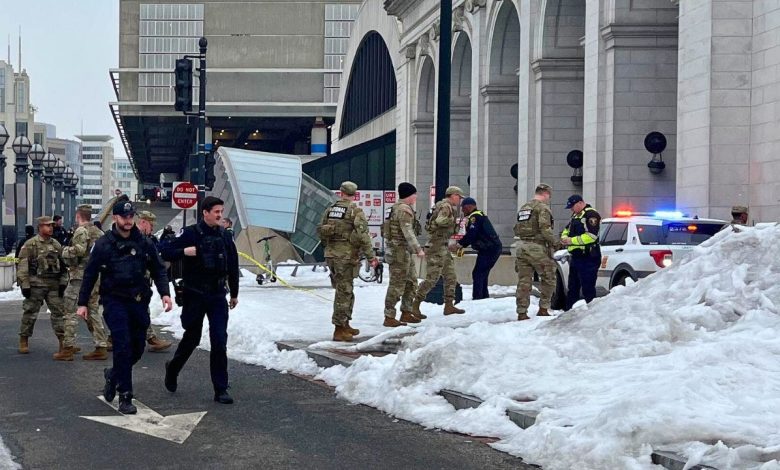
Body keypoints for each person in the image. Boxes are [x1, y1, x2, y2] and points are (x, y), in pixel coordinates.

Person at [77, 200, 172, 414]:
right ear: (115, 218)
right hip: (114, 300)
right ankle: (125, 396)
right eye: (124, 217)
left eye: (131, 217)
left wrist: (165, 293)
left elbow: (158, 269)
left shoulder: (144, 242)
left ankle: (113, 375)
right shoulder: (104, 244)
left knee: (137, 348)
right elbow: (90, 273)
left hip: (138, 301)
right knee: (122, 345)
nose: (128, 221)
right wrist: (82, 303)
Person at [161, 196, 240, 405]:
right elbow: (165, 251)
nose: (220, 215)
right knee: (192, 338)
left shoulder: (225, 236)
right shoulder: (190, 233)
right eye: (216, 212)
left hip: (217, 295)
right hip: (194, 294)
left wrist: (234, 293)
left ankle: (221, 388)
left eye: (221, 211)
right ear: (205, 213)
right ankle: (173, 368)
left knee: (219, 340)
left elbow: (233, 264)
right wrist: (184, 251)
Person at [317, 181, 378, 342]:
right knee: (344, 292)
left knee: (344, 290)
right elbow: (363, 236)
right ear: (355, 195)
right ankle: (339, 329)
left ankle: (345, 324)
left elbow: (321, 231)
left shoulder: (330, 210)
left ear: (341, 192)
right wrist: (371, 257)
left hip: (331, 255)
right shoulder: (354, 211)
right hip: (345, 256)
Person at [59, 205, 110, 361]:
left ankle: (67, 348)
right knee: (93, 310)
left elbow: (78, 251)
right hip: (95, 277)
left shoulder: (81, 231)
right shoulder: (99, 232)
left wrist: (63, 251)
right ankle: (101, 345)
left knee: (70, 310)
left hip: (79, 276)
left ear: (78, 216)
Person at [16, 216, 69, 355]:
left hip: (53, 285)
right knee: (30, 312)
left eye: (51, 225)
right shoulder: (30, 244)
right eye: (47, 225)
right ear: (40, 227)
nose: (50, 228)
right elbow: (23, 266)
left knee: (59, 314)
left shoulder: (56, 244)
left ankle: (63, 342)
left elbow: (64, 266)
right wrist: (25, 285)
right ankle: (24, 339)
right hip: (36, 285)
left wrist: (63, 283)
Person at [412, 186, 466, 317]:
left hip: (443, 247)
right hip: (436, 247)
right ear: (453, 195)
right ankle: (415, 304)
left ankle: (449, 305)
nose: (459, 200)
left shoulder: (445, 206)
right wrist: (453, 221)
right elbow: (440, 221)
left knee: (451, 276)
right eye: (459, 197)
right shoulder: (446, 207)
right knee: (432, 279)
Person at [514, 184, 559, 320]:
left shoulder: (524, 208)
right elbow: (545, 229)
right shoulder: (542, 208)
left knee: (524, 281)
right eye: (549, 196)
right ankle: (543, 308)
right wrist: (555, 243)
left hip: (521, 246)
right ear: (546, 194)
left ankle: (522, 312)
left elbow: (516, 228)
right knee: (549, 277)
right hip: (537, 247)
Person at [382, 183, 424, 326]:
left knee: (411, 282)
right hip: (399, 252)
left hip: (402, 251)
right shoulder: (404, 210)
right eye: (414, 194)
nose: (416, 197)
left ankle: (406, 312)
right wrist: (418, 249)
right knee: (397, 284)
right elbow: (408, 232)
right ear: (409, 195)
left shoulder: (393, 208)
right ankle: (389, 316)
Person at [136, 211, 174, 352]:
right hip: (128, 282)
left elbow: (157, 264)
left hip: (142, 282)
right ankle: (151, 338)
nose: (152, 229)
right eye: (150, 225)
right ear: (143, 222)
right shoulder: (132, 238)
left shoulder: (148, 240)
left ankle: (111, 338)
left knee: (139, 309)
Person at [453, 197, 502, 301]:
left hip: (489, 249)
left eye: (463, 208)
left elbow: (472, 234)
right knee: (482, 273)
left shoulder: (475, 217)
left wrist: (460, 244)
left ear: (468, 207)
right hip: (490, 248)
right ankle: (483, 297)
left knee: (478, 273)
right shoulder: (479, 215)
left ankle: (478, 298)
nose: (462, 211)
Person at [561, 194, 601, 309]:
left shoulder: (591, 215)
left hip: (588, 257)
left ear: (580, 203)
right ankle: (569, 312)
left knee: (588, 288)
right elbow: (566, 230)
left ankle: (590, 312)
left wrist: (571, 240)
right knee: (572, 288)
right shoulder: (575, 216)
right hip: (576, 257)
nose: (571, 209)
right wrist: (564, 238)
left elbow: (591, 236)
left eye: (572, 207)